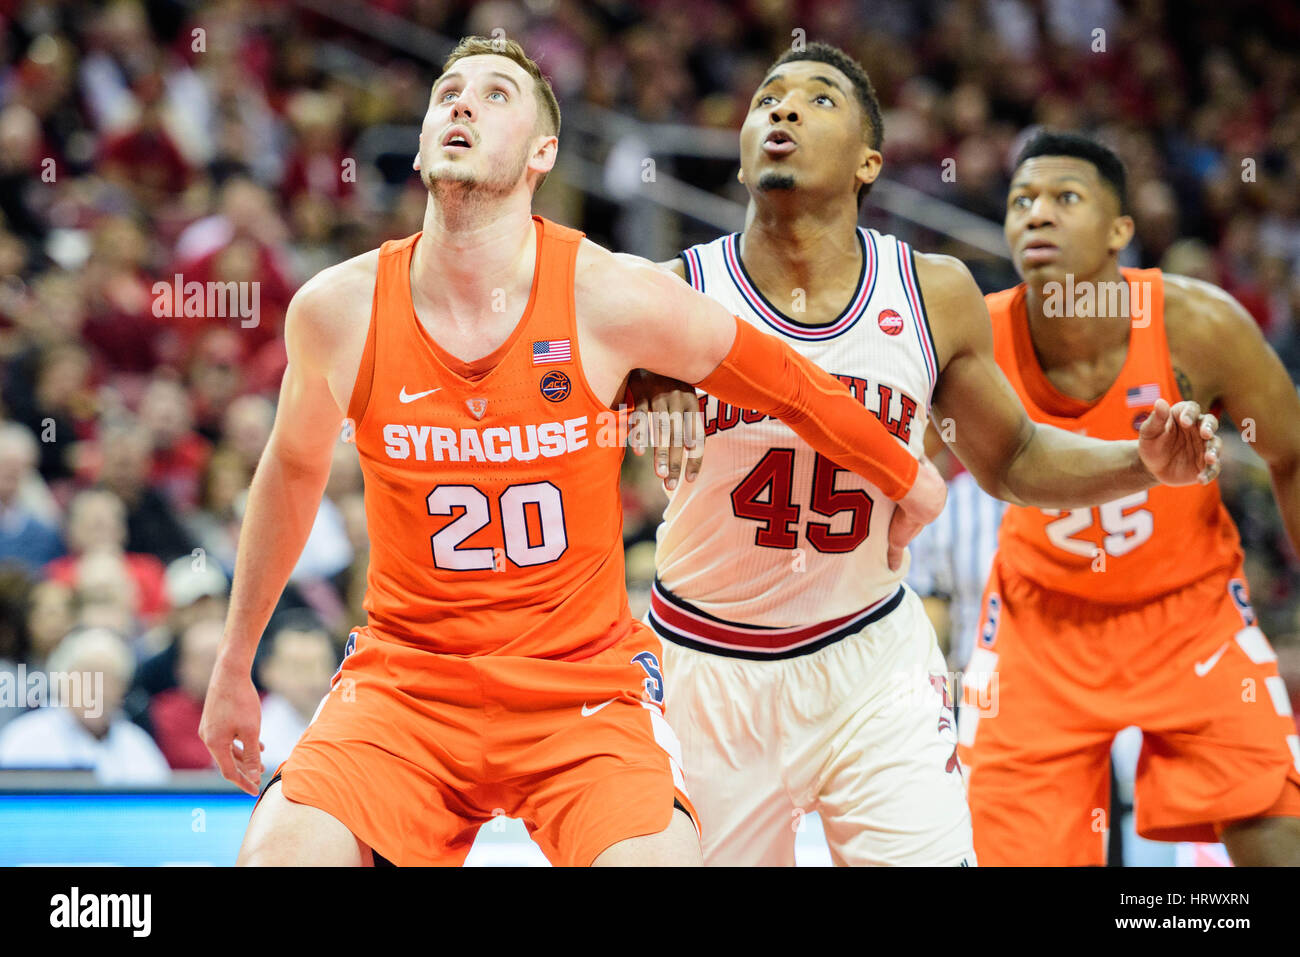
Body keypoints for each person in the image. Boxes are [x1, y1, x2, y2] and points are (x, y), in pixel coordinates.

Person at [199, 35, 953, 868]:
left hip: (583, 690)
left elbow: (788, 382)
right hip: (406, 683)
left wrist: (906, 475)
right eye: (448, 92)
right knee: (281, 857)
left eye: (496, 95)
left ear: (543, 153)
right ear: (419, 144)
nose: (462, 102)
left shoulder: (608, 293)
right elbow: (293, 471)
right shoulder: (336, 309)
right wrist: (235, 662)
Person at [634, 42, 1219, 866]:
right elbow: (549, 370)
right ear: (741, 153)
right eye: (767, 98)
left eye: (819, 98)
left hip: (871, 660)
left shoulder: (931, 293)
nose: (783, 108)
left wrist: (1140, 465)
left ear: (869, 162)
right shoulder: (668, 294)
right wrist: (638, 378)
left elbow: (1012, 457)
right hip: (706, 661)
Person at [959, 131, 1300, 866]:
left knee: (1274, 829)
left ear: (1120, 230)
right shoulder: (974, 339)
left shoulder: (1200, 326)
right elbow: (896, 461)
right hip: (1038, 625)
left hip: (1190, 612)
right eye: (1021, 201)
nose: (1036, 214)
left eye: (1064, 197)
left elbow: (1290, 451)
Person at [0, 626, 170, 784]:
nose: (97, 689)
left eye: (109, 679)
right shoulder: (24, 739)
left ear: (123, 689)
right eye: (87, 675)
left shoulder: (136, 743)